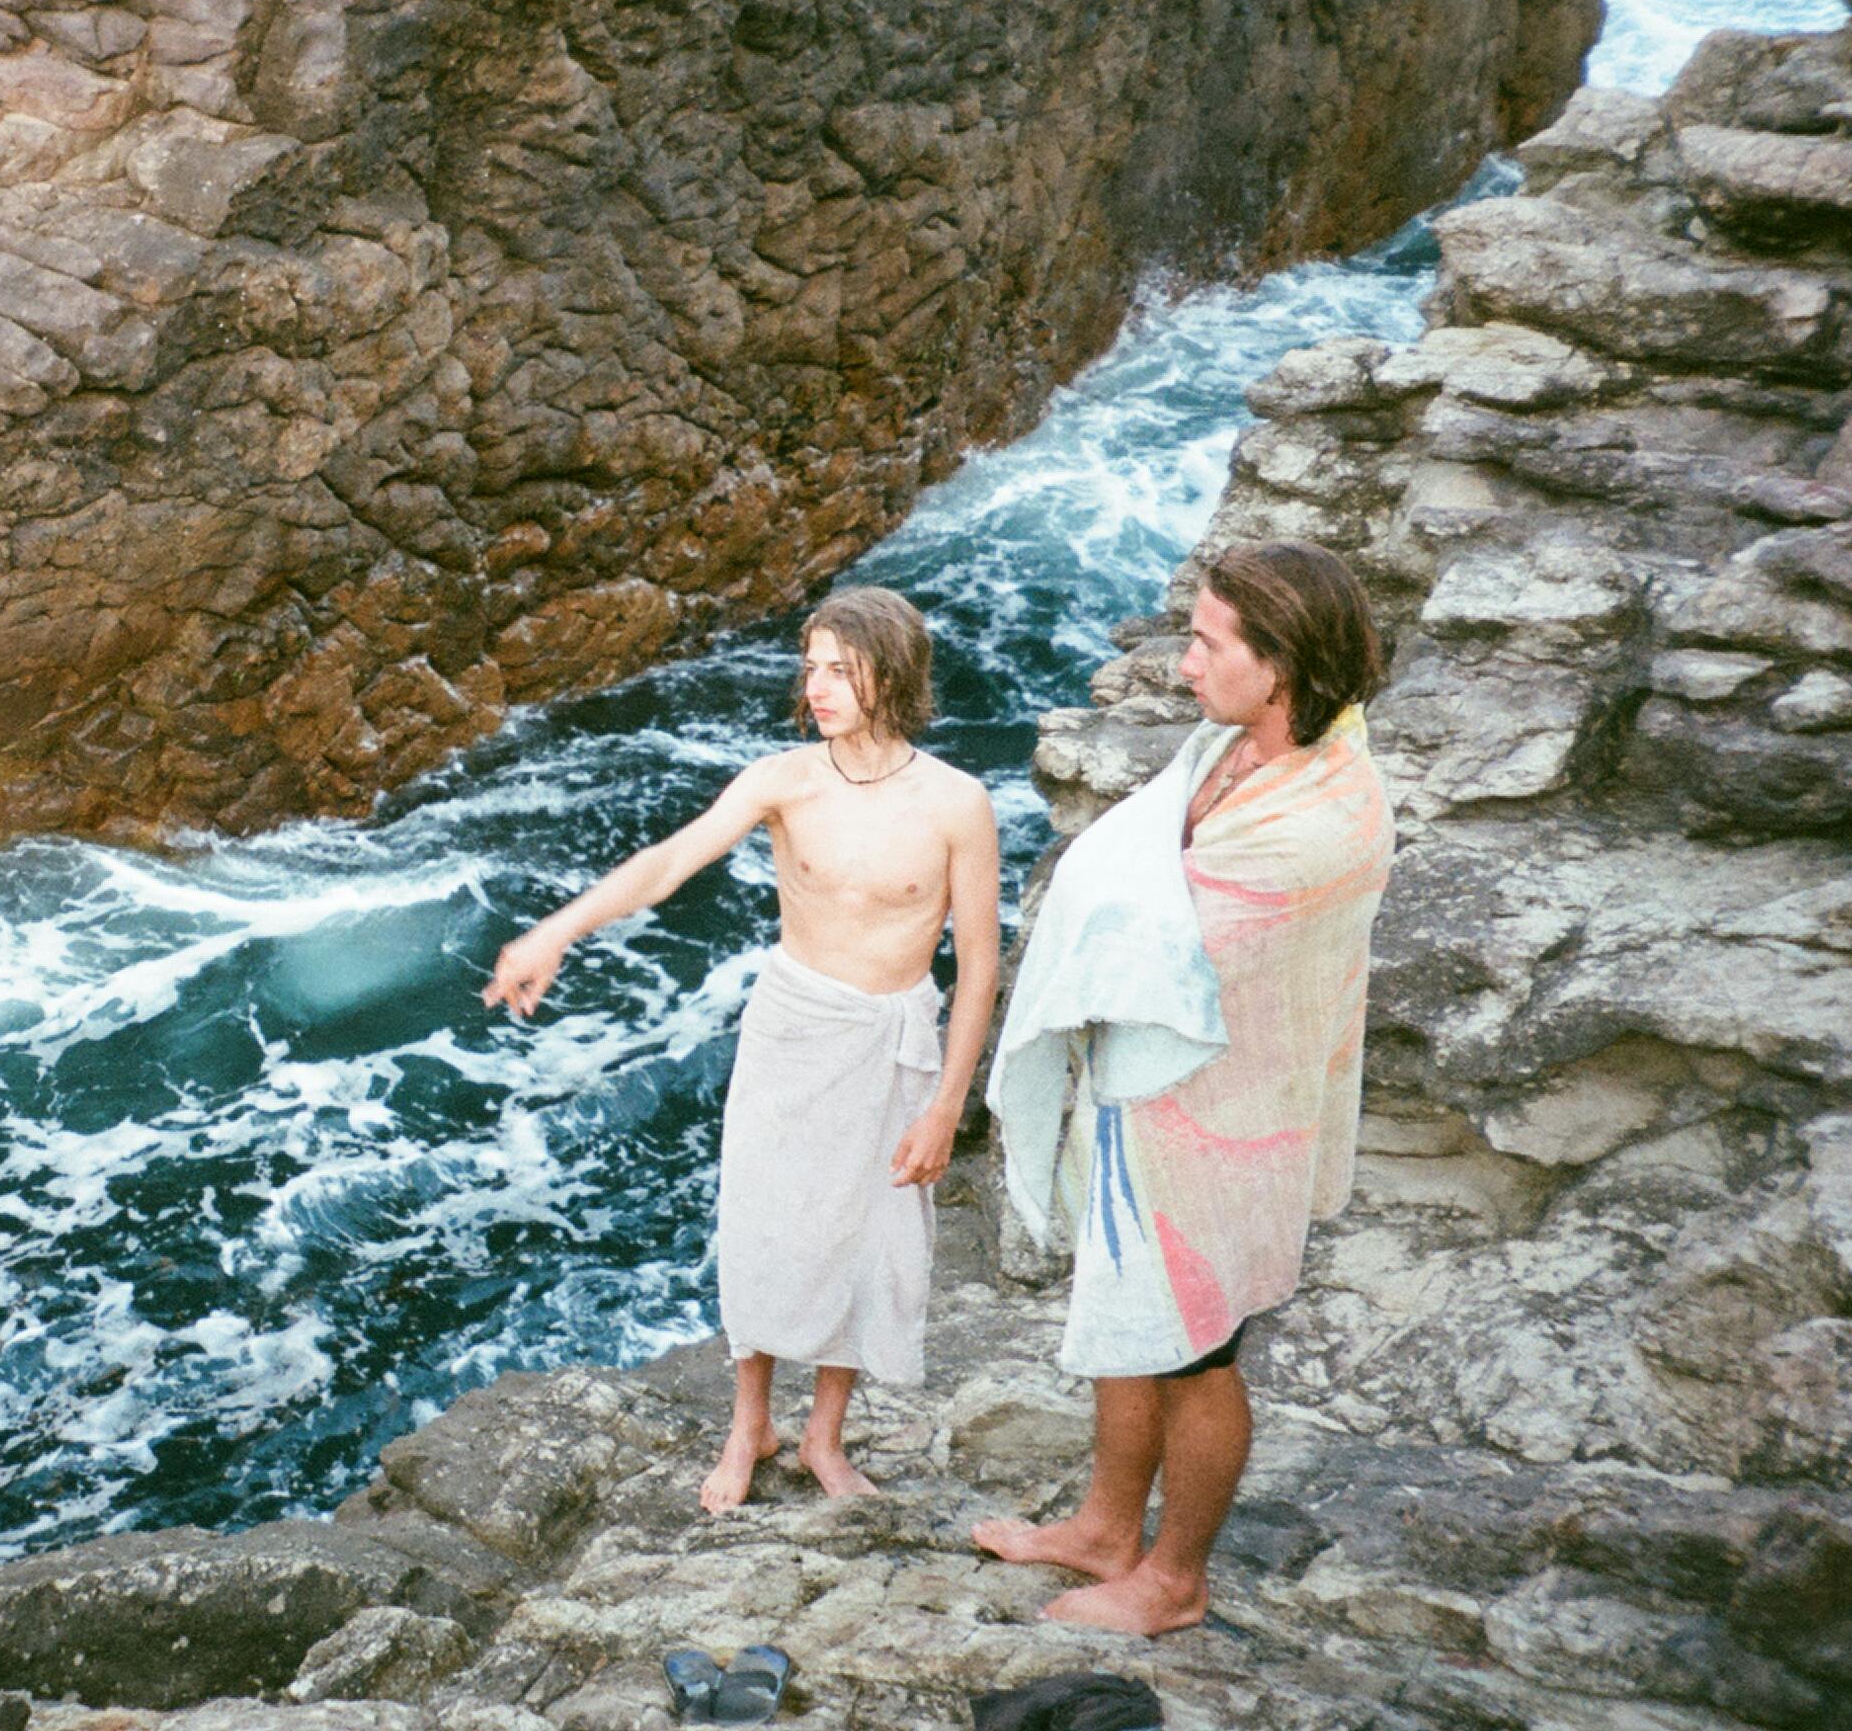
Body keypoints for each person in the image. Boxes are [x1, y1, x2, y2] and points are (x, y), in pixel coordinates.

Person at [484, 586, 1001, 1511]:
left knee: (868, 1231)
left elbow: (980, 963)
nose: (818, 688)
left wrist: (947, 1103)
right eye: (811, 668)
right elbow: (666, 865)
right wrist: (555, 932)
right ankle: (748, 1422)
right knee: (764, 1223)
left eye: (840, 670)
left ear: (892, 674)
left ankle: (824, 1438)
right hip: (791, 1027)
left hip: (892, 1039)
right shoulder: (783, 780)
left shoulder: (957, 803)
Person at [973, 539, 1396, 1635]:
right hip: (1143, 1106)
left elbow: (1157, 941)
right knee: (1125, 1318)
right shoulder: (1230, 744)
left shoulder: (1325, 814)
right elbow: (1134, 885)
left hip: (1228, 1127)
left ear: (1283, 663)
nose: (1181, 666)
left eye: (1209, 643)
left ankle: (1175, 1576)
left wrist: (1094, 925)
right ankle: (1108, 1526)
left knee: (1197, 1351)